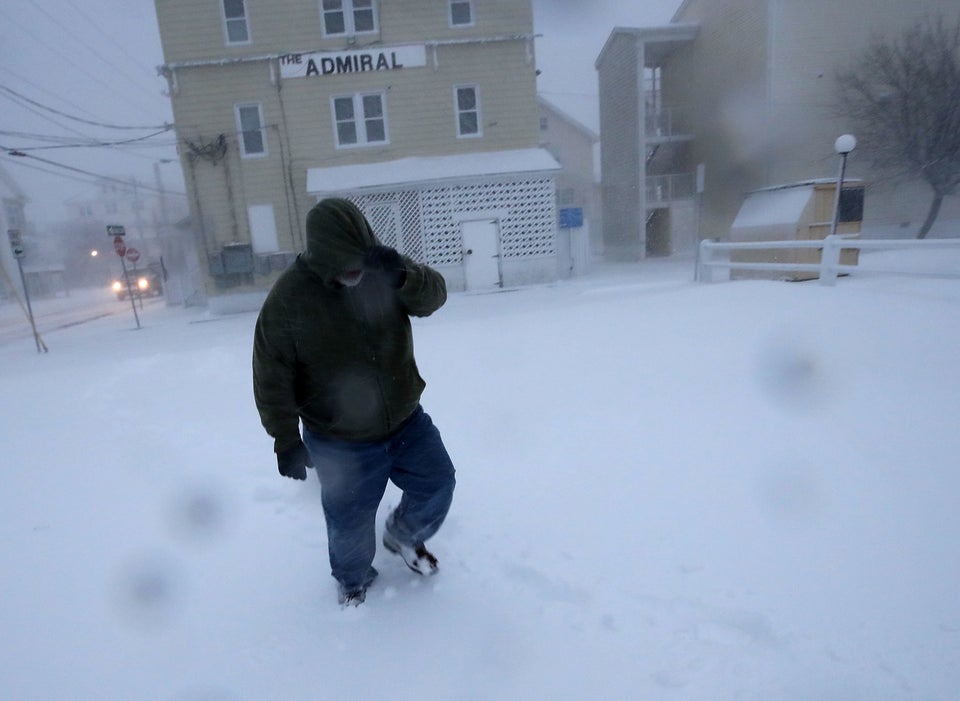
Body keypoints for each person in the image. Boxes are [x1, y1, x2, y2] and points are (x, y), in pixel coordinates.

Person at [252, 198, 456, 606]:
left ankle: (402, 535)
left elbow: (434, 298)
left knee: (438, 483)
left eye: (357, 261)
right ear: (321, 256)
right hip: (339, 438)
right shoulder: (289, 300)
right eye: (343, 264)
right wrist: (285, 439)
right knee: (348, 524)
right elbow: (271, 374)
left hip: (405, 419)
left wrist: (403, 276)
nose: (354, 272)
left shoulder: (382, 271)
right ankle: (353, 580)